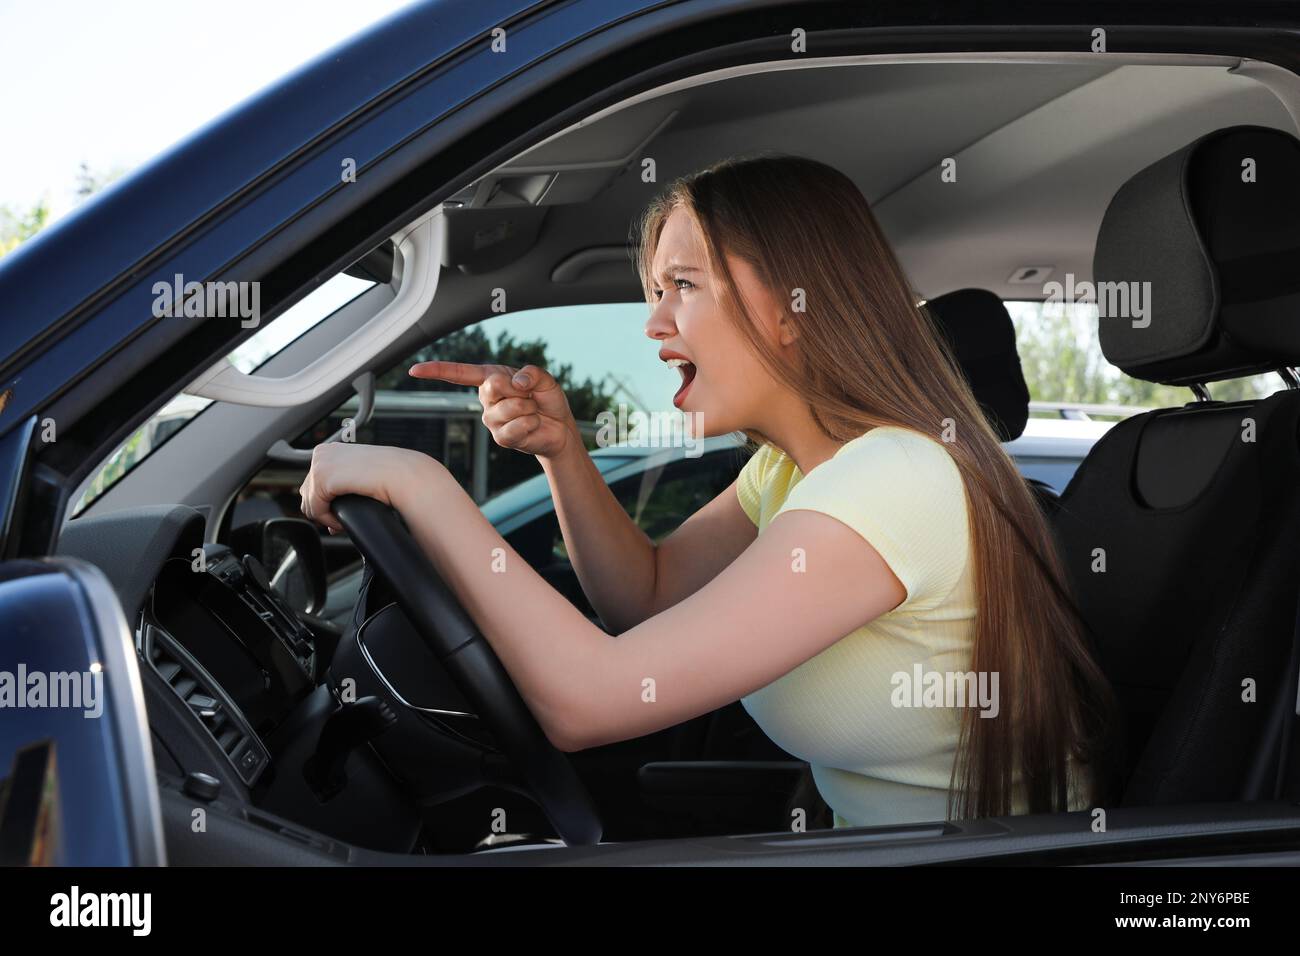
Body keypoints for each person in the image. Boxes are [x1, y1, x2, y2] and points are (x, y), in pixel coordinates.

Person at [298, 153, 1120, 829]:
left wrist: (421, 484)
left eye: (682, 286)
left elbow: (589, 700)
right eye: (655, 292)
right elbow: (644, 601)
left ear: (794, 305)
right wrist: (563, 454)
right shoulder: (792, 472)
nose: (654, 325)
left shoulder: (896, 479)